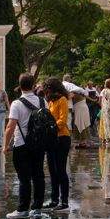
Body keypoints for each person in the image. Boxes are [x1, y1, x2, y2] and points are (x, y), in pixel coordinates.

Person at [4, 73, 48, 219]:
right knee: (38, 176)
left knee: (24, 178)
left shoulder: (17, 104)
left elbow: (10, 127)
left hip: (22, 144)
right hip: (39, 144)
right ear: (34, 85)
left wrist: (5, 145)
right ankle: (37, 208)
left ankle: (23, 209)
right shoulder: (43, 102)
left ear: (20, 85)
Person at [44, 78, 72, 212]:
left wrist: (52, 127)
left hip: (62, 138)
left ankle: (64, 201)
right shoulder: (50, 101)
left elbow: (63, 119)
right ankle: (54, 199)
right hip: (51, 138)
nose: (46, 89)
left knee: (61, 170)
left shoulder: (62, 100)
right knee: (52, 171)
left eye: (48, 87)